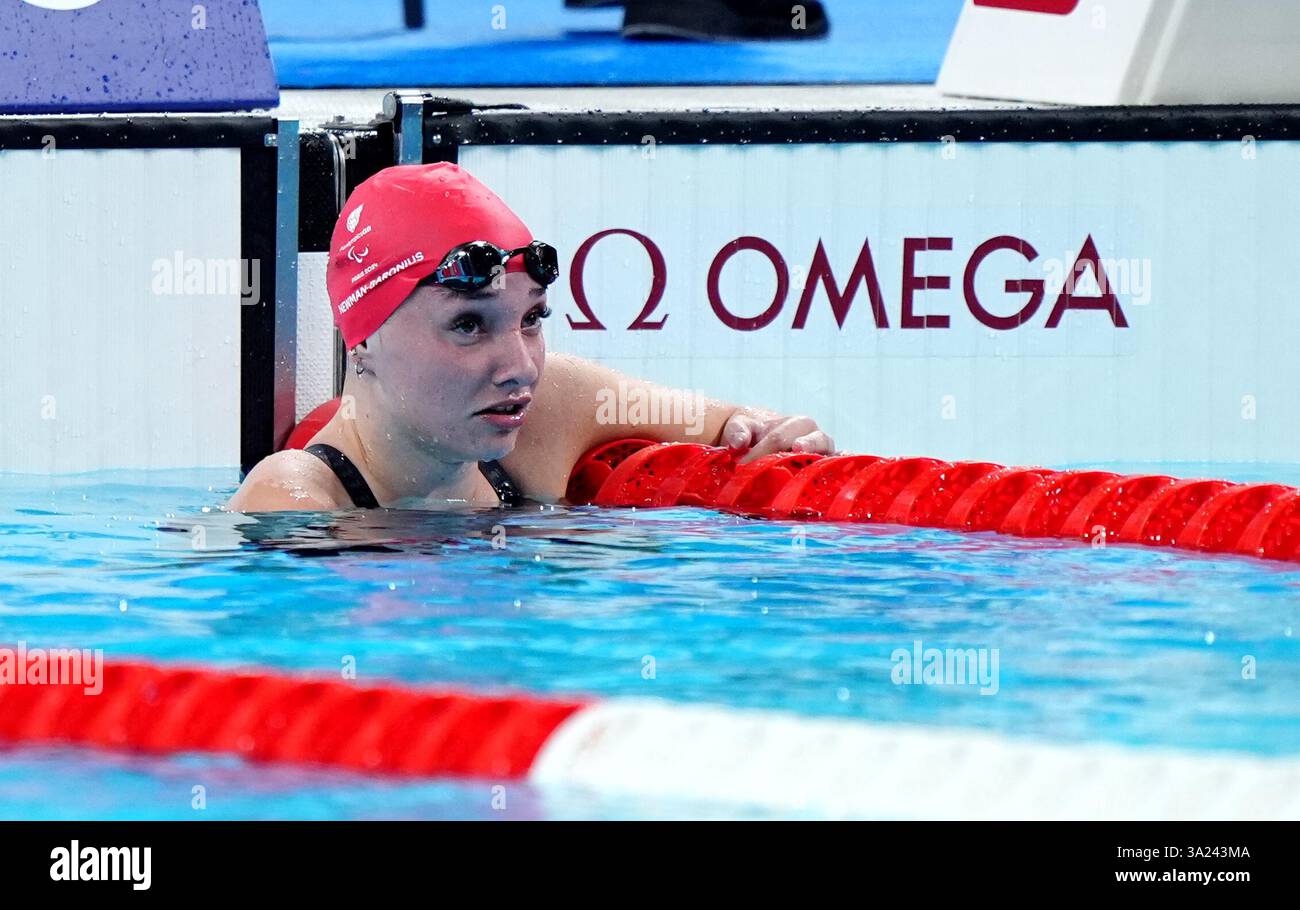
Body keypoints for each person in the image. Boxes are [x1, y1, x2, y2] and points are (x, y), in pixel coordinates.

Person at [226, 163, 834, 512]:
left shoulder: (552, 406)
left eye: (532, 318)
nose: (519, 367)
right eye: (468, 324)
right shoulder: (296, 498)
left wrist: (780, 436)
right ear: (363, 337)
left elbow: (737, 425)